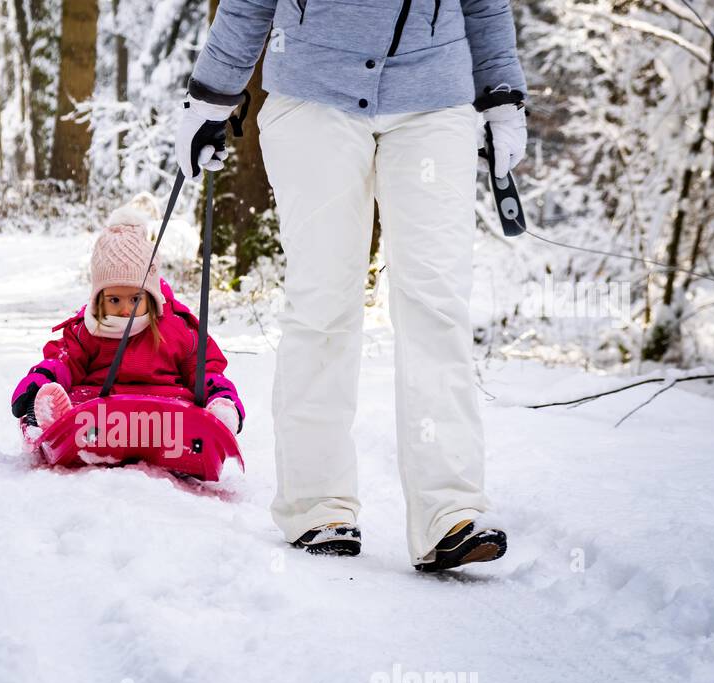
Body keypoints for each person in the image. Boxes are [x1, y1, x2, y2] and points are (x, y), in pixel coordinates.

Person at [174, 0, 527, 571]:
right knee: (323, 298)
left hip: (435, 100)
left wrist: (503, 95)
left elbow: (484, 4)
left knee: (436, 300)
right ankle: (316, 504)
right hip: (314, 96)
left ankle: (451, 511)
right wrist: (213, 94)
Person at [11, 205, 244, 436]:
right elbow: (62, 361)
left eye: (135, 299)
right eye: (114, 300)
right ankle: (50, 418)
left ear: (151, 295)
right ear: (99, 299)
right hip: (99, 415)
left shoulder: (175, 328)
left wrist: (220, 398)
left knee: (195, 406)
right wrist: (41, 382)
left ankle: (213, 425)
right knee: (72, 400)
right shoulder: (89, 330)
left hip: (168, 416)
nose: (125, 310)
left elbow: (205, 369)